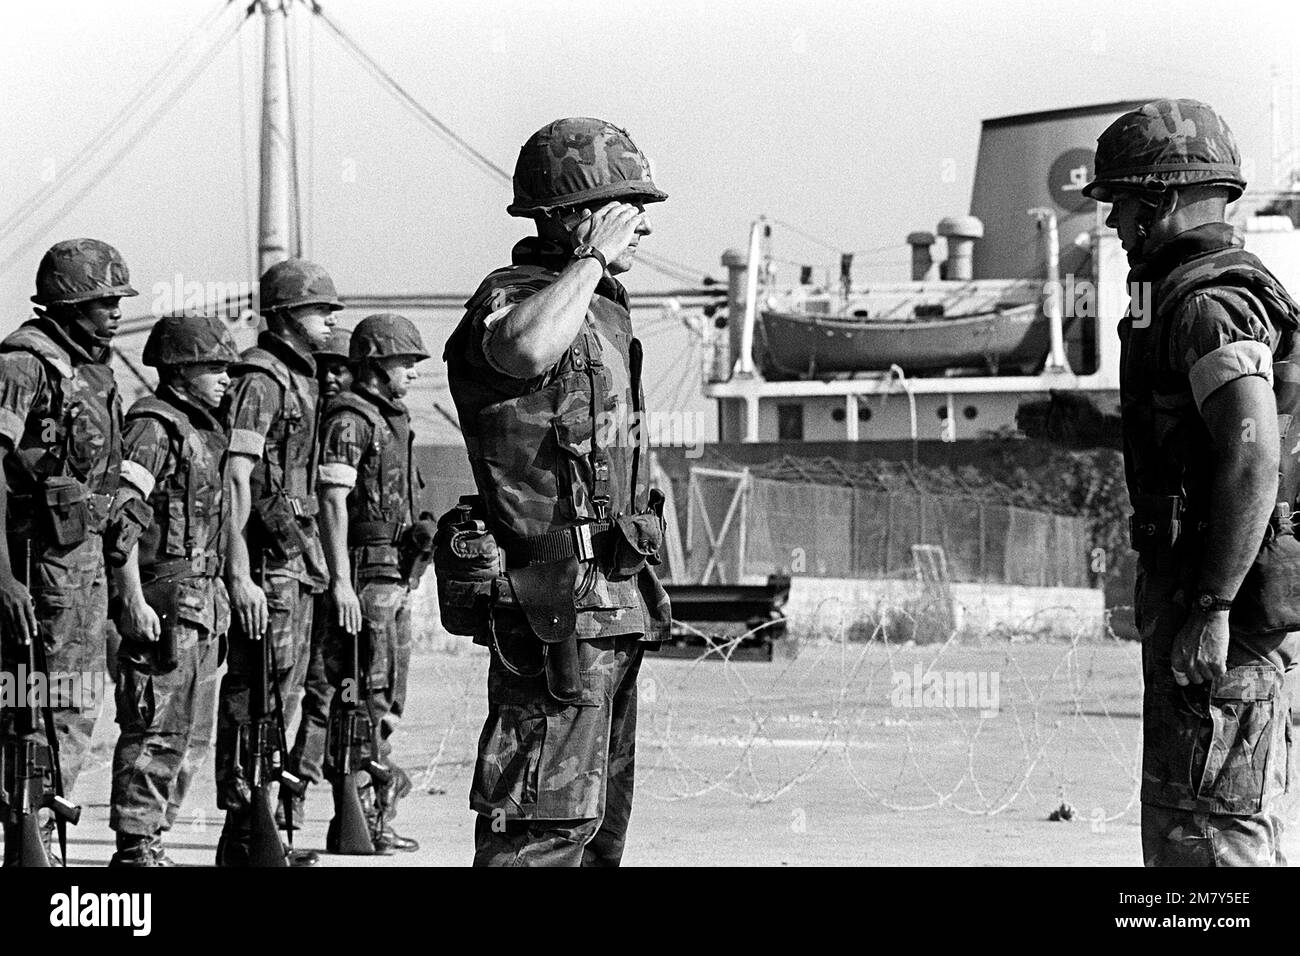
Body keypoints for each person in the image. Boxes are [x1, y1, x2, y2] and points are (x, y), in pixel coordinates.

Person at [443, 117, 673, 867]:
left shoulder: (603, 307)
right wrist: (591, 260)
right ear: (572, 214)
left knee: (599, 826)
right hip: (551, 607)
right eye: (624, 206)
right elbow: (524, 350)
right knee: (541, 831)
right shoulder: (512, 297)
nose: (641, 224)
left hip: (612, 602)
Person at [1084, 98, 1300, 866]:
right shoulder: (1183, 296)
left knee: (1211, 840)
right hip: (1202, 610)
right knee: (1198, 825)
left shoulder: (1207, 305)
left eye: (1122, 205)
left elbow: (1251, 453)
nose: (1114, 225)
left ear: (1163, 201)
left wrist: (1211, 606)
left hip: (1221, 620)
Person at [0, 239, 133, 864]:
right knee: (37, 707)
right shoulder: (26, 363)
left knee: (73, 706)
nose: (115, 311)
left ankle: (39, 837)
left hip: (82, 565)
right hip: (35, 565)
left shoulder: (96, 369)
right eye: (104, 299)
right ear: (70, 301)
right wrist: (3, 577)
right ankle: (31, 842)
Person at [214, 258, 339, 866]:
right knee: (253, 695)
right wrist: (238, 573)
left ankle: (252, 833)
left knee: (281, 697)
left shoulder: (302, 376)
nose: (331, 320)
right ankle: (242, 831)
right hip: (265, 566)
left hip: (295, 561)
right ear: (288, 315)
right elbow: (235, 478)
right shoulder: (261, 378)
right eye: (321, 310)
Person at [106, 312, 239, 866]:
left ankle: (155, 838)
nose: (226, 378)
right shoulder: (153, 428)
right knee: (154, 729)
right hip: (165, 602)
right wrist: (131, 599)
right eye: (213, 367)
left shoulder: (204, 428)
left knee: (191, 738)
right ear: (180, 371)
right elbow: (121, 520)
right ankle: (135, 846)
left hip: (204, 604)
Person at [317, 312, 428, 853]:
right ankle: (359, 814)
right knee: (365, 694)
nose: (411, 372)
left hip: (395, 571)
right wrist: (340, 580)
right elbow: (331, 501)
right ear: (378, 365)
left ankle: (373, 816)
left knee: (388, 697)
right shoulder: (352, 418)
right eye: (405, 361)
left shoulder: (394, 418)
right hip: (365, 574)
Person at [281, 325, 352, 832]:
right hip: (306, 576)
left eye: (340, 369)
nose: (330, 378)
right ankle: (284, 797)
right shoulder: (300, 423)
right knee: (292, 693)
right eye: (323, 368)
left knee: (335, 694)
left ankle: (311, 788)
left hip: (345, 579)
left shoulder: (353, 428)